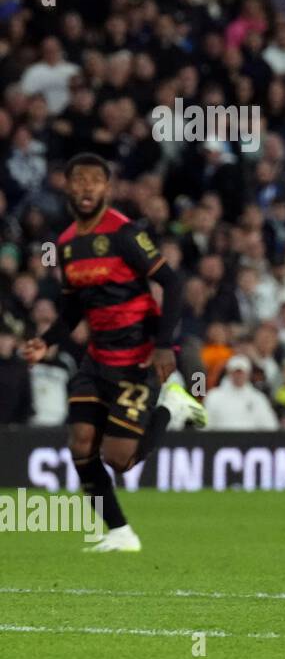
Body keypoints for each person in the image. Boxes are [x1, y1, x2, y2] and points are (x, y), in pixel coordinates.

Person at [20, 154, 206, 553]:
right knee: (81, 444)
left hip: (137, 358)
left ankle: (172, 407)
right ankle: (120, 532)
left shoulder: (125, 233)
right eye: (79, 180)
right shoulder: (66, 243)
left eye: (95, 181)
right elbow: (73, 307)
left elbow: (172, 284)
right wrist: (47, 340)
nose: (86, 187)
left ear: (107, 188)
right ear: (67, 186)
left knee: (119, 460)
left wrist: (161, 346)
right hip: (96, 358)